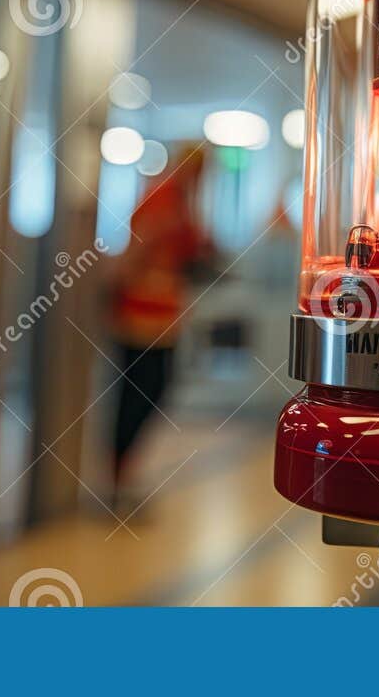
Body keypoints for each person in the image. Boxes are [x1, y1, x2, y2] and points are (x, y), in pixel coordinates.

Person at [107, 144, 213, 513]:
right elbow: (136, 254)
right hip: (140, 316)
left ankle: (125, 474)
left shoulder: (185, 203)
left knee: (155, 391)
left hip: (165, 316)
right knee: (138, 394)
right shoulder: (162, 199)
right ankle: (118, 478)